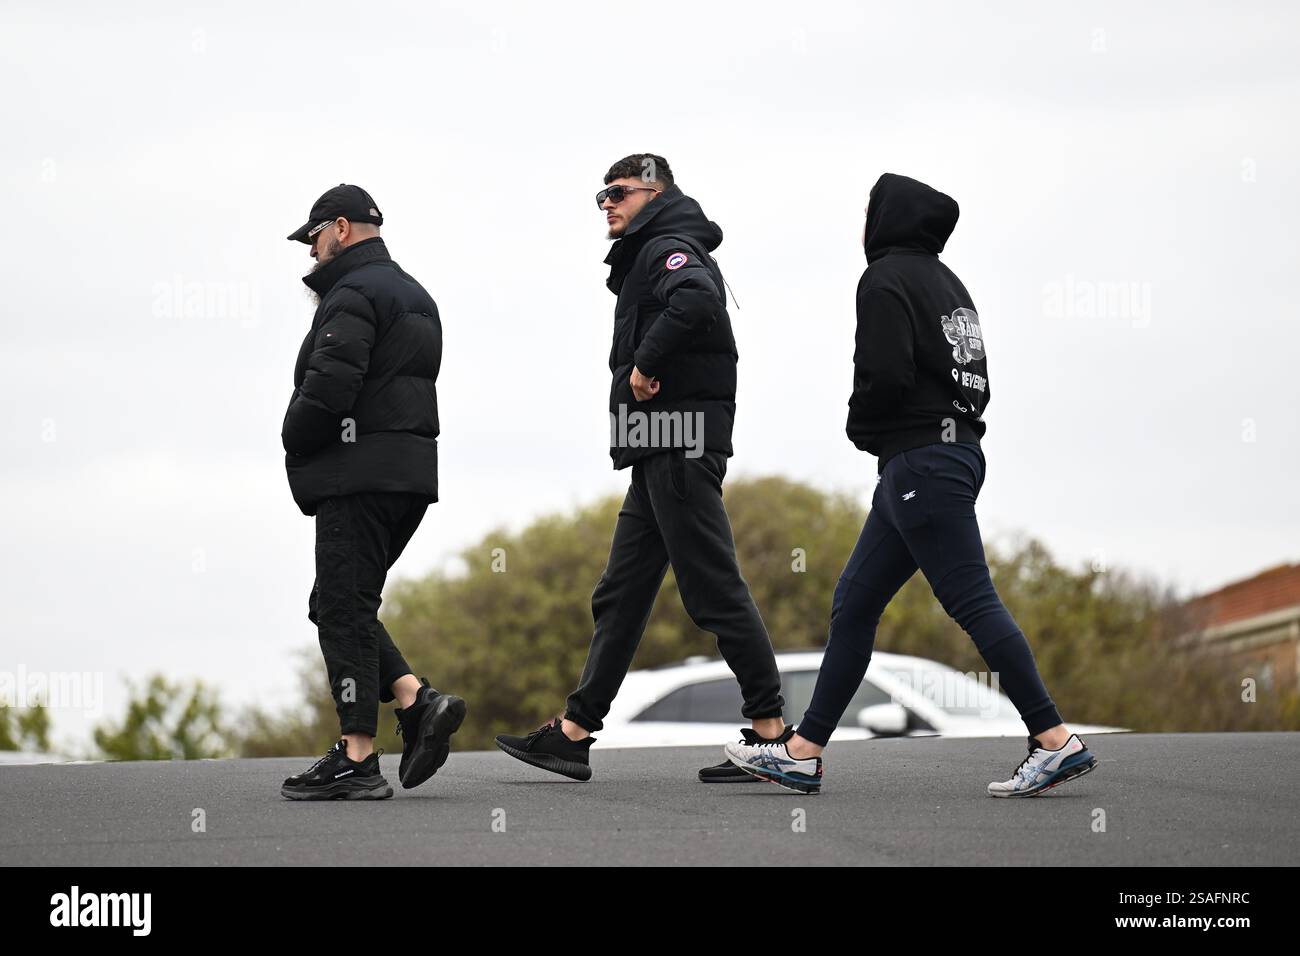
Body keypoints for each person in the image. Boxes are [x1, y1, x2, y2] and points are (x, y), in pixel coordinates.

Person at [724, 173, 1098, 797]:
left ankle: (1055, 738)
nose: (862, 220)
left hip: (922, 463)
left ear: (887, 217)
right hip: (947, 457)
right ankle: (803, 751)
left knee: (972, 600)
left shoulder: (884, 278)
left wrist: (861, 424)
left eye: (867, 209)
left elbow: (884, 373)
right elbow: (973, 381)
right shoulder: (950, 283)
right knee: (855, 603)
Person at [494, 154, 788, 782]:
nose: (607, 203)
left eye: (618, 192)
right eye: (600, 196)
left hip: (679, 444)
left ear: (655, 193)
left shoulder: (669, 248)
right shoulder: (652, 249)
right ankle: (572, 734)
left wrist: (645, 365)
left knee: (713, 589)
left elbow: (697, 303)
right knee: (620, 596)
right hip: (655, 447)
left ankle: (773, 735)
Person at [278, 184, 465, 801]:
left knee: (341, 609)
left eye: (314, 237)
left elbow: (332, 385)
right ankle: (415, 702)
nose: (311, 251)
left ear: (340, 228)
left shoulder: (352, 292)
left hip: (356, 477)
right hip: (407, 478)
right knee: (340, 601)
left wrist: (294, 437)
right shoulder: (416, 293)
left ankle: (358, 755)